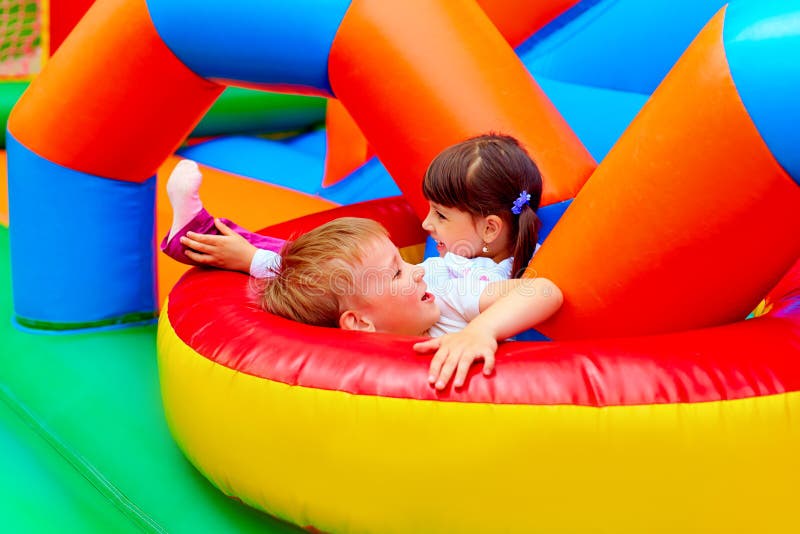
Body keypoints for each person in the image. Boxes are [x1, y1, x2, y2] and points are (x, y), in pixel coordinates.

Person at [162, 134, 559, 389]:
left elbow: (544, 290)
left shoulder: (455, 285)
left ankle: (225, 243)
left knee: (341, 271)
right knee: (336, 266)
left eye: (440, 215)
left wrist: (480, 333)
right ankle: (217, 239)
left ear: (490, 229)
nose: (425, 224)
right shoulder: (442, 277)